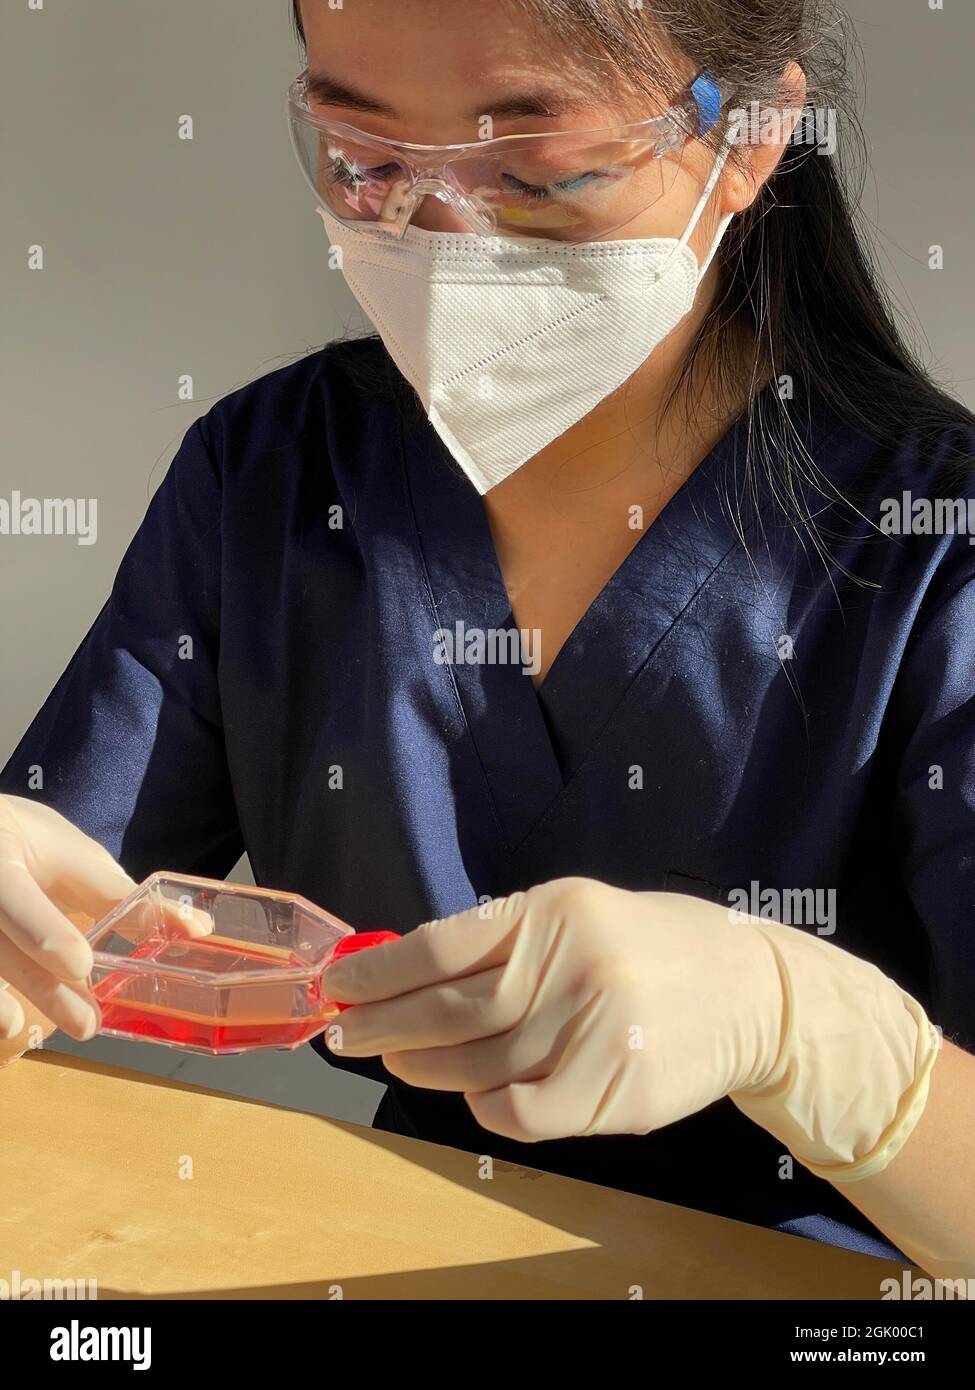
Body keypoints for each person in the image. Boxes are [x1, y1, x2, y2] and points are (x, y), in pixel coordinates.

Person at [2, 0, 973, 1279]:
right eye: (365, 161)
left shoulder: (928, 553)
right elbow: (74, 917)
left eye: (538, 173)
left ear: (752, 135)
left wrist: (812, 1034)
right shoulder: (278, 477)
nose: (440, 237)